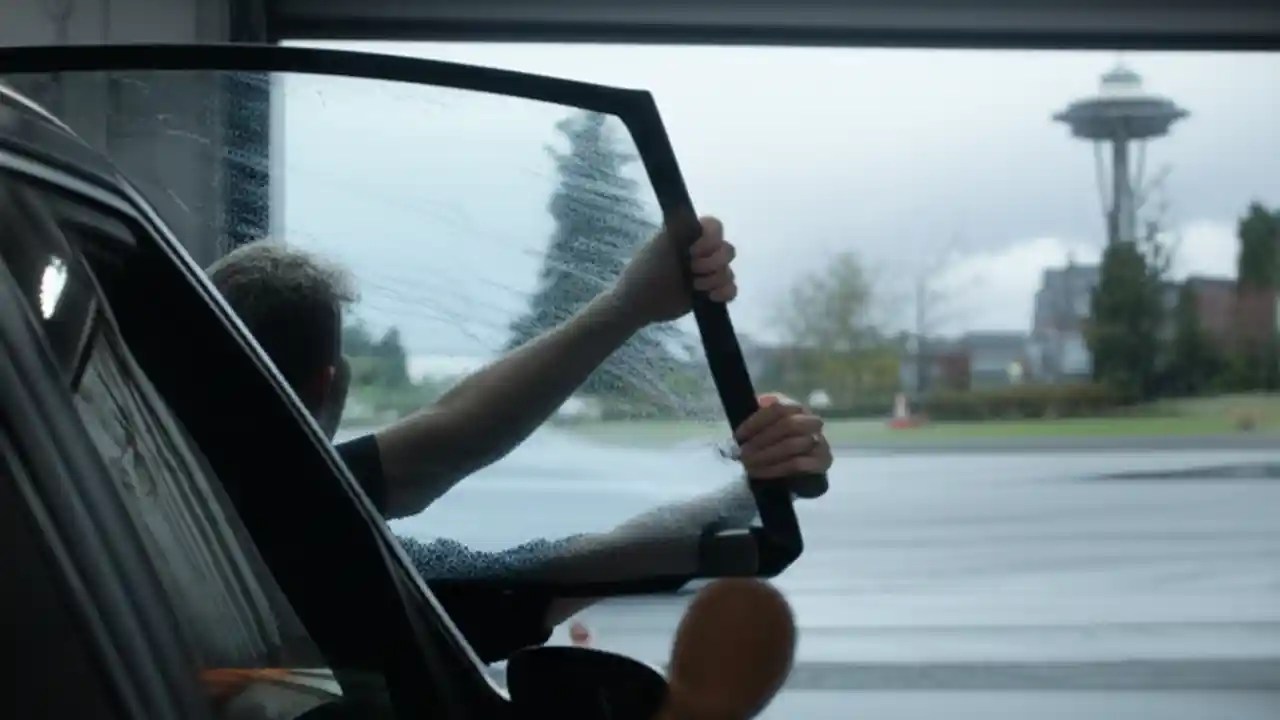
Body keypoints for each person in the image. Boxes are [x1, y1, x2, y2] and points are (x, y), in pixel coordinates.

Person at [207, 217, 832, 662]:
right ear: (328, 383)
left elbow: (450, 437)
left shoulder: (170, 485)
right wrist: (755, 487)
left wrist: (631, 305)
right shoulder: (324, 547)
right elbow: (577, 560)